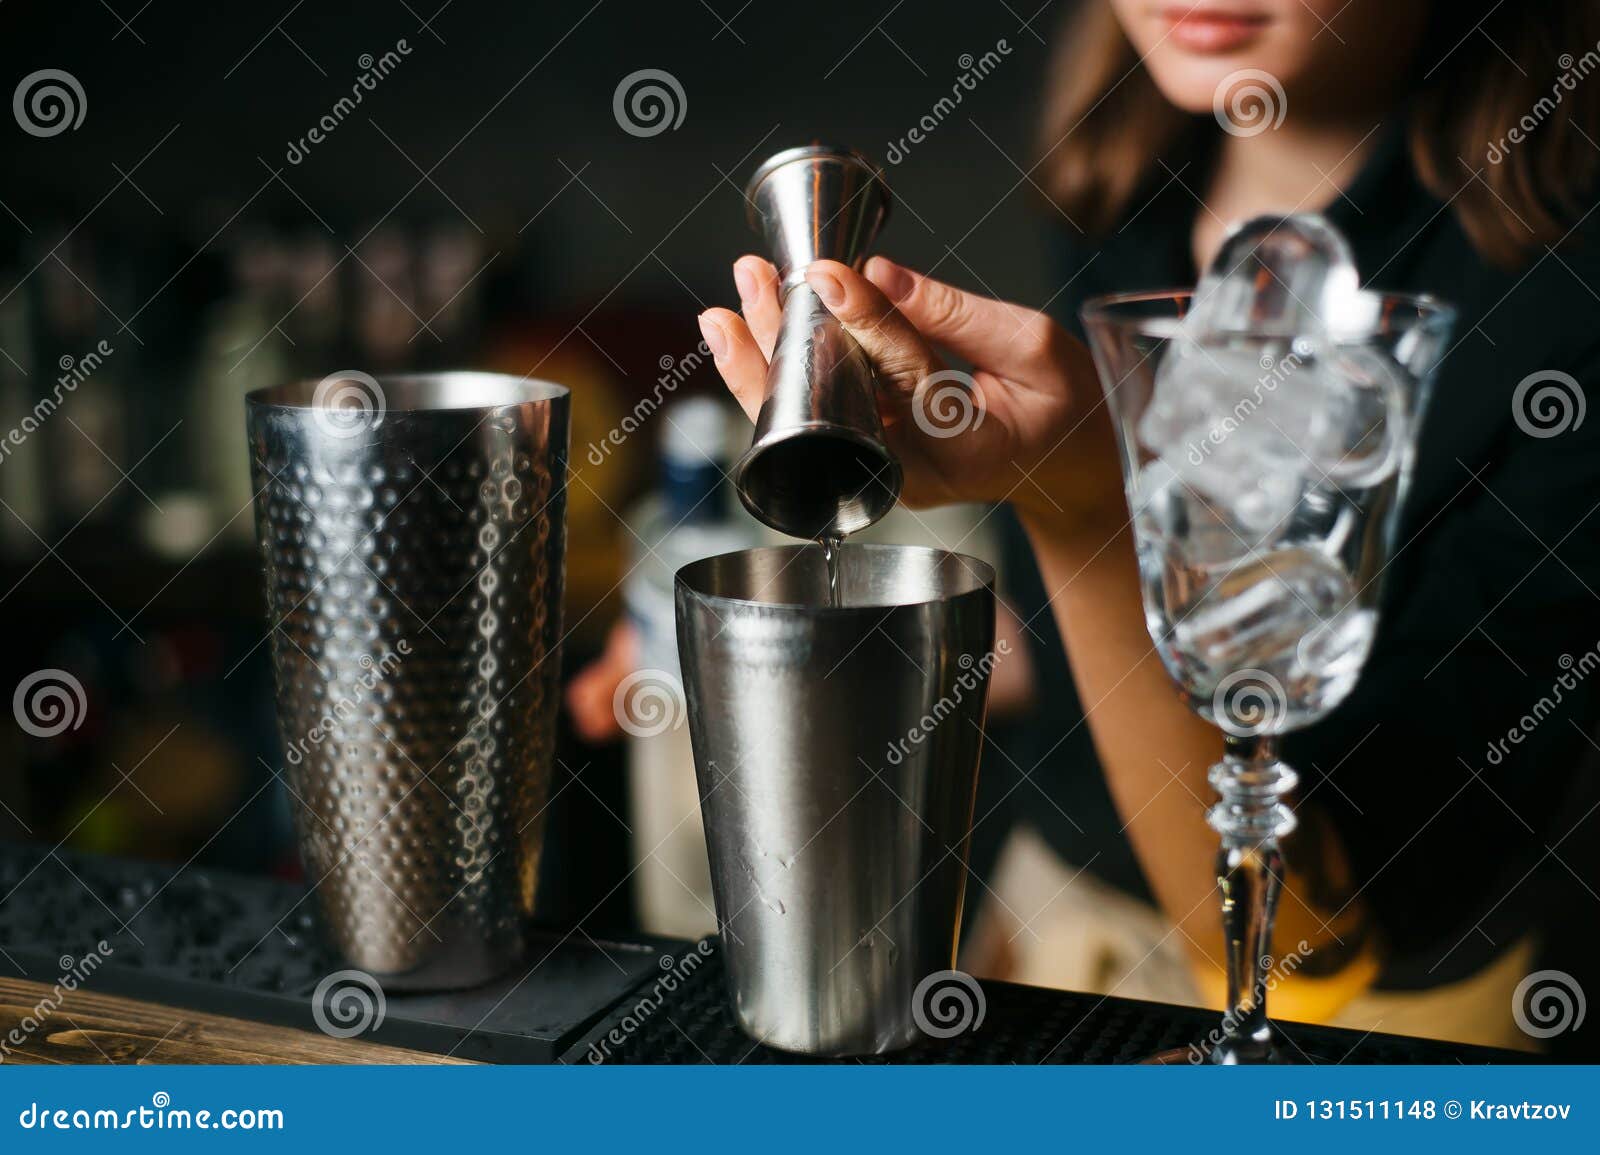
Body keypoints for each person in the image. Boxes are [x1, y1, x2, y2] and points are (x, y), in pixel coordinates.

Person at [694, 0, 1600, 1051]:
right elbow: (1080, 650)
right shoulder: (1122, 191)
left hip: (1374, 1027)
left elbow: (1311, 947)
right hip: (1043, 923)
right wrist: (790, 666)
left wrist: (1080, 507)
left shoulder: (1566, 306)